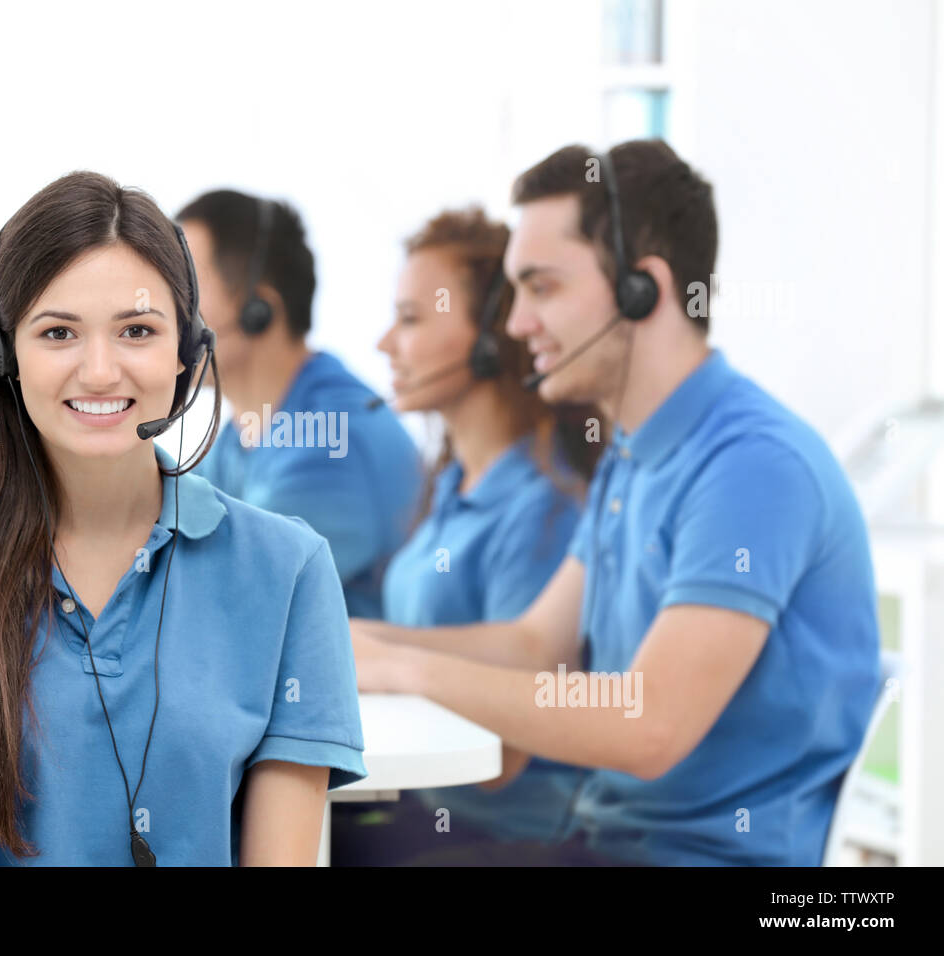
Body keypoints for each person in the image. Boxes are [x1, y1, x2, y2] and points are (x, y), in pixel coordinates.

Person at [350, 140, 881, 866]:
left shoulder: (752, 466)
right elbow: (535, 645)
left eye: (542, 288)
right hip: (611, 845)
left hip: (704, 861)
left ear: (644, 289)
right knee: (337, 844)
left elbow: (650, 724)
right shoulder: (632, 456)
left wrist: (409, 672)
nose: (515, 325)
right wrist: (368, 645)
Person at [0, 171, 367, 866]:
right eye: (58, 332)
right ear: (6, 355)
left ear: (186, 352)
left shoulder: (289, 570)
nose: (100, 370)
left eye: (137, 330)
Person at [331, 207, 601, 866]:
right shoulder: (453, 485)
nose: (386, 343)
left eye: (412, 319)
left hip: (508, 830)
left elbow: (504, 757)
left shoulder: (545, 507)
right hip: (430, 805)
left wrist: (377, 655)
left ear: (490, 340)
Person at [177, 190, 423, 618]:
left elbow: (219, 604)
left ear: (259, 311)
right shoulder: (241, 438)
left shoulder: (333, 444)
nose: (160, 313)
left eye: (184, 289)